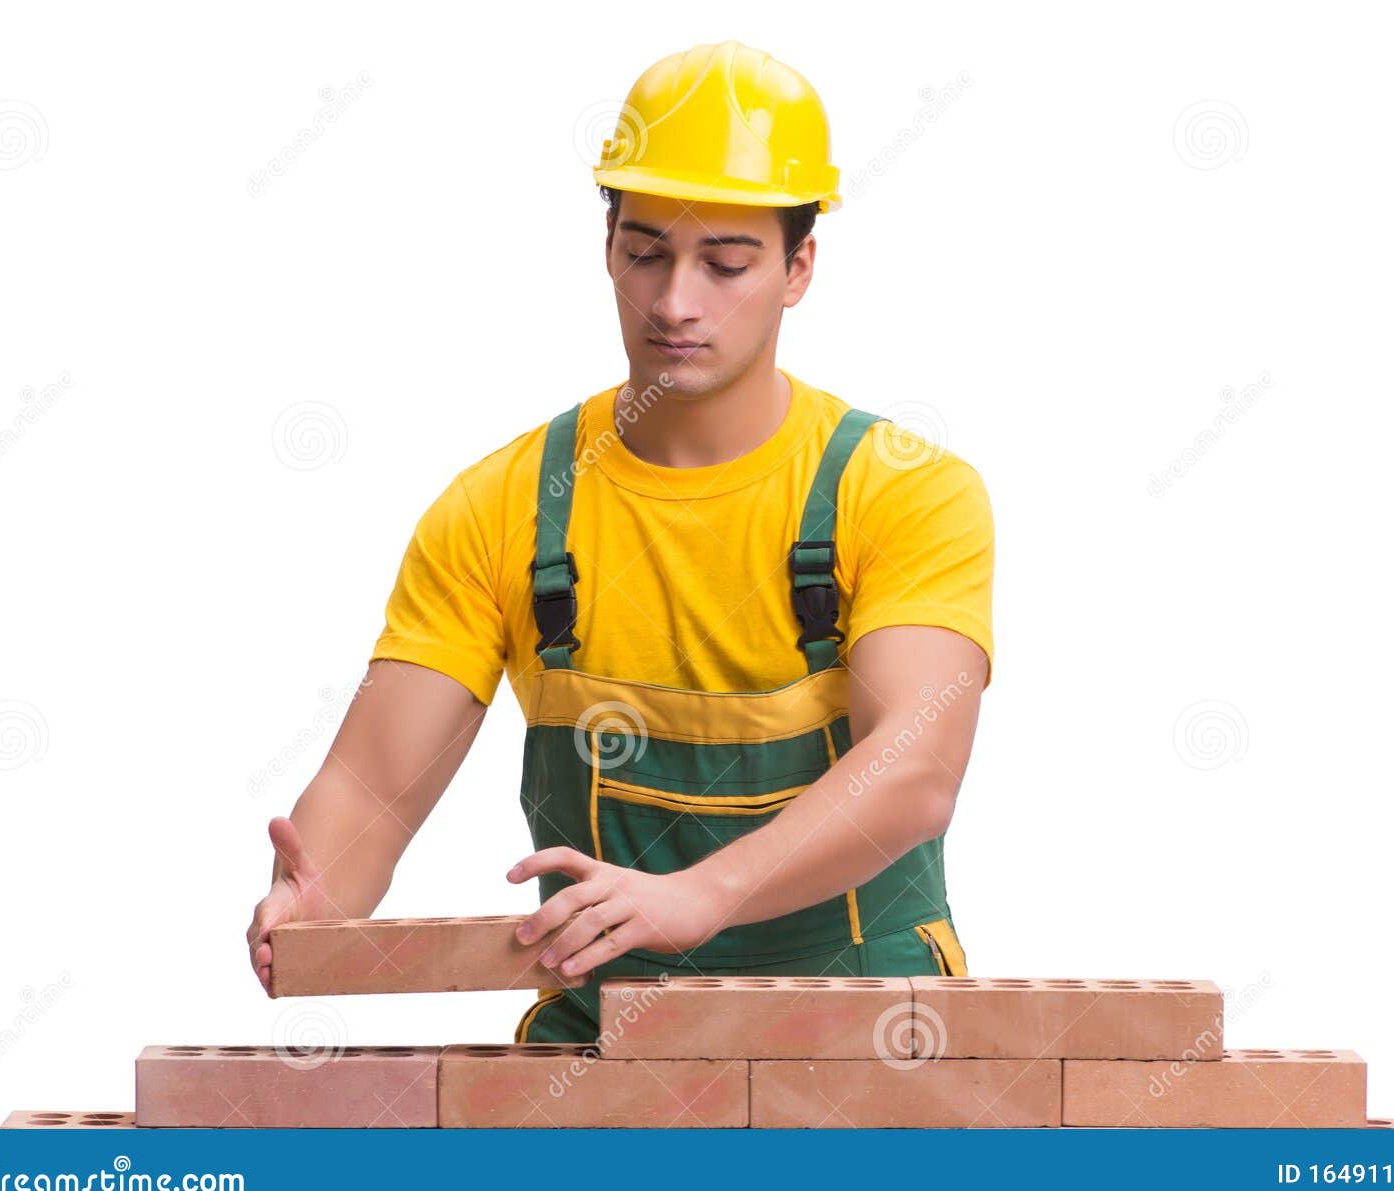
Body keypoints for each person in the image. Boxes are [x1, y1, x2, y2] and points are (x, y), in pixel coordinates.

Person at [245, 39, 994, 1043]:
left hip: (872, 1039)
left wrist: (703, 894)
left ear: (798, 267)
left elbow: (914, 766)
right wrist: (314, 908)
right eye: (646, 253)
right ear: (607, 247)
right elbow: (373, 784)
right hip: (605, 1044)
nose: (675, 302)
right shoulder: (504, 507)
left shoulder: (900, 491)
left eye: (725, 263)